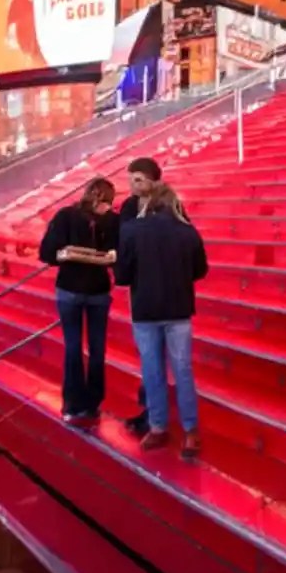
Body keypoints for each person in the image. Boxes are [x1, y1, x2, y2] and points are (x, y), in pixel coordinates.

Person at [115, 183, 208, 457]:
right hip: (179, 309)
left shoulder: (131, 230)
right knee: (183, 371)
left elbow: (121, 276)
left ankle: (157, 427)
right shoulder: (187, 231)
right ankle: (190, 431)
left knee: (152, 371)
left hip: (145, 310)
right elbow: (200, 270)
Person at [39, 178, 119, 427]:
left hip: (84, 290)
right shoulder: (68, 216)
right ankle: (83, 404)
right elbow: (48, 252)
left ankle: (81, 405)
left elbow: (47, 252)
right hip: (83, 290)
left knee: (90, 350)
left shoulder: (108, 221)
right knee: (82, 349)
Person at [119, 157, 161, 436]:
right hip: (140, 289)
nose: (133, 185)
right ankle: (149, 410)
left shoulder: (167, 206)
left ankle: (157, 415)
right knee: (148, 354)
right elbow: (121, 245)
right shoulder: (127, 208)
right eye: (131, 179)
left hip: (166, 288)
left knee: (161, 356)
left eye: (139, 179)